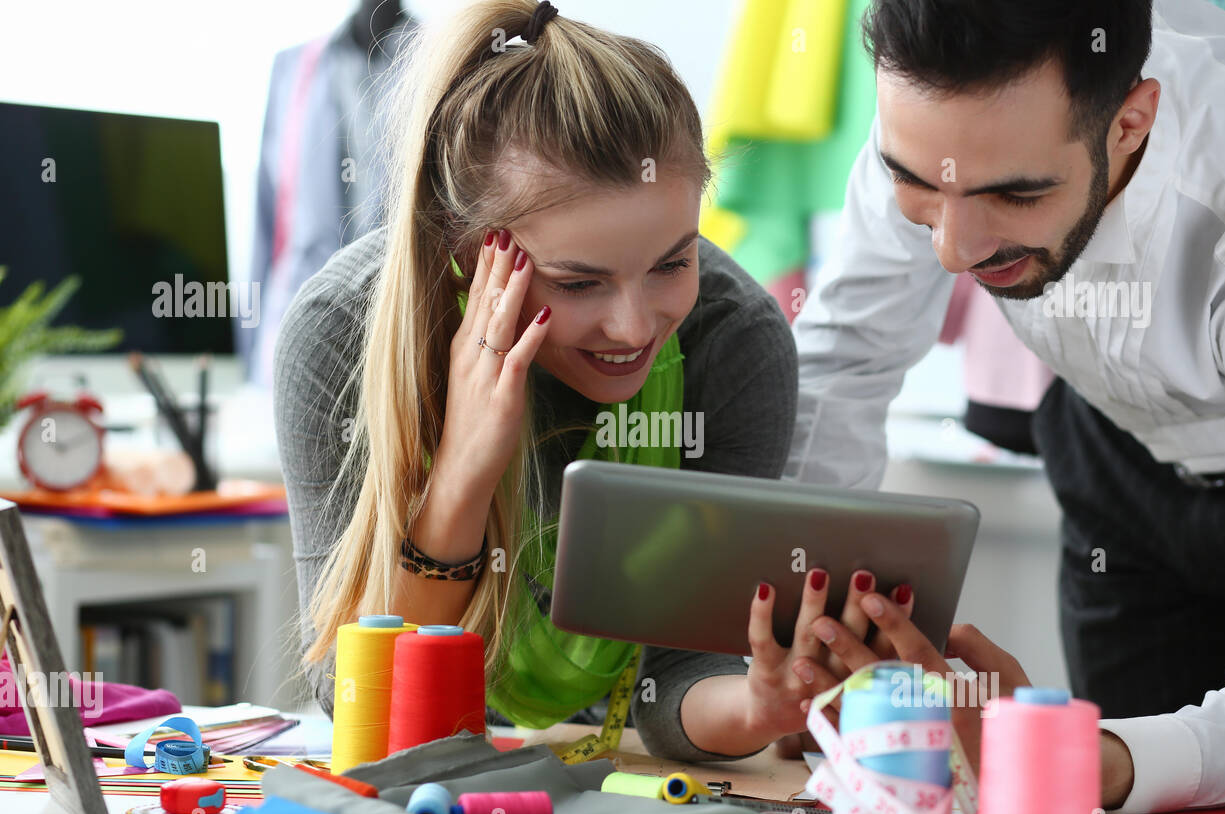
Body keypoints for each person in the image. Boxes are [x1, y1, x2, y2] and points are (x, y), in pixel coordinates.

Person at [272, 0, 895, 761]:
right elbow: (360, 702)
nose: (634, 328)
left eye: (674, 262)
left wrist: (761, 702)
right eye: (577, 283)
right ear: (471, 251)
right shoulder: (340, 335)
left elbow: (679, 679)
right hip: (430, 776)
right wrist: (464, 475)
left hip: (627, 780)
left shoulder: (736, 344)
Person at [786, 0, 1225, 813]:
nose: (952, 250)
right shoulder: (941, 126)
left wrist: (1048, 757)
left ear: (1131, 123)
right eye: (913, 184)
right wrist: (793, 626)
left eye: (1015, 196)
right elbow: (844, 361)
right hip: (1114, 457)